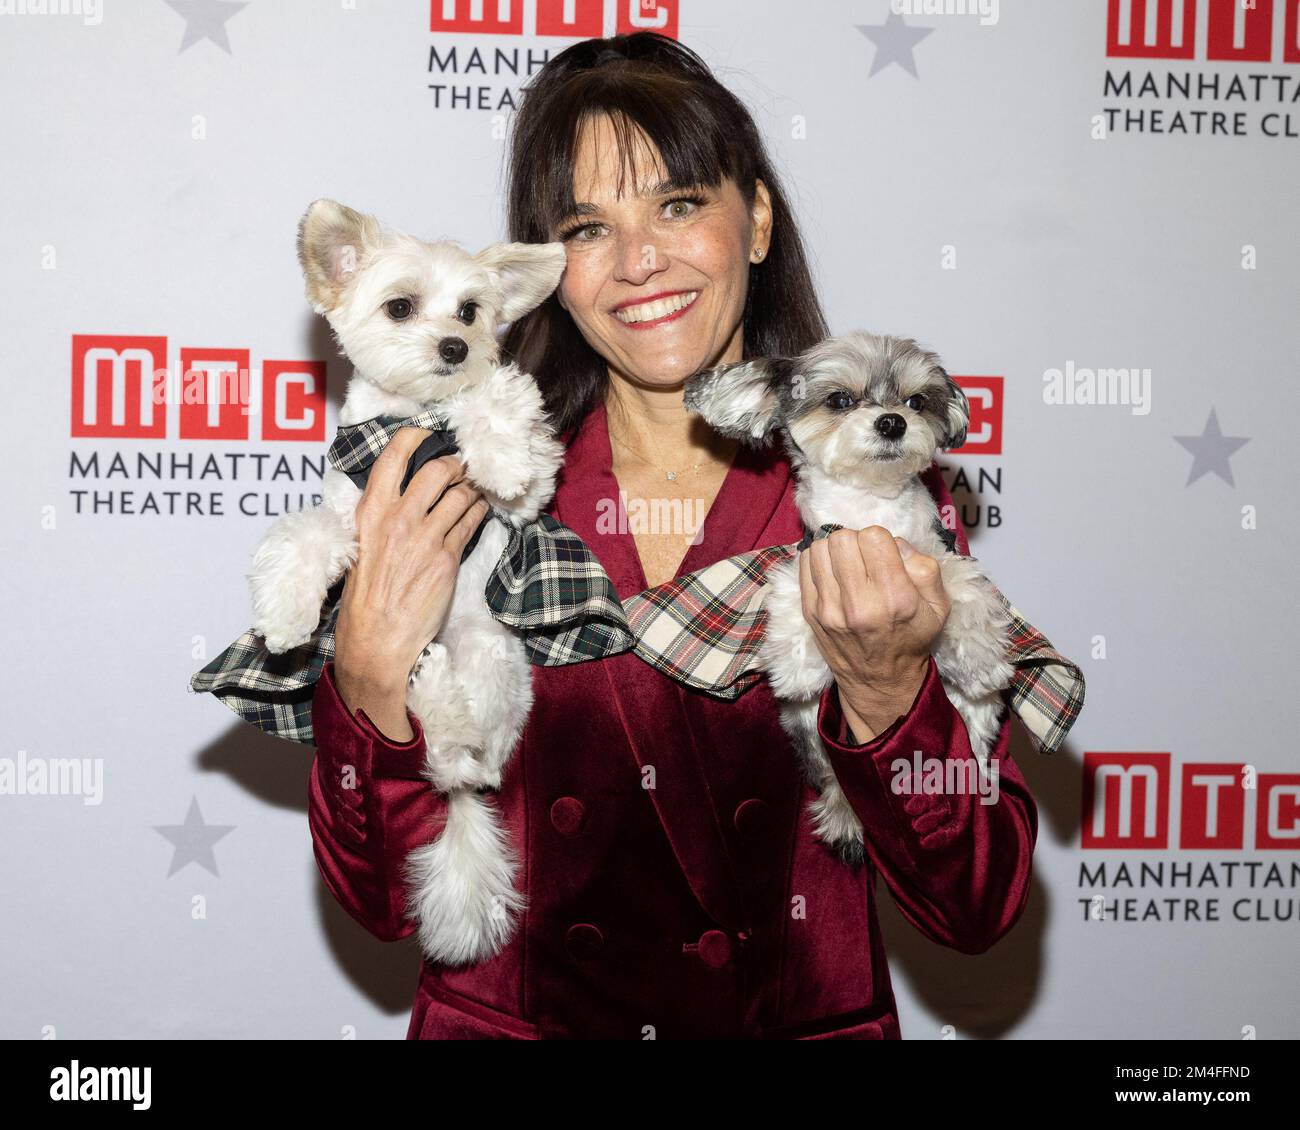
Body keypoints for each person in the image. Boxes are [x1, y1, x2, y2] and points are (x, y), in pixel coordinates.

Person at [307, 32, 1036, 1040]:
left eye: (679, 204)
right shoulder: (472, 480)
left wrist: (884, 692)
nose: (639, 260)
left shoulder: (862, 487)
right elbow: (380, 900)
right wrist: (368, 669)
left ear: (758, 219)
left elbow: (975, 905)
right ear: (548, 271)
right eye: (588, 227)